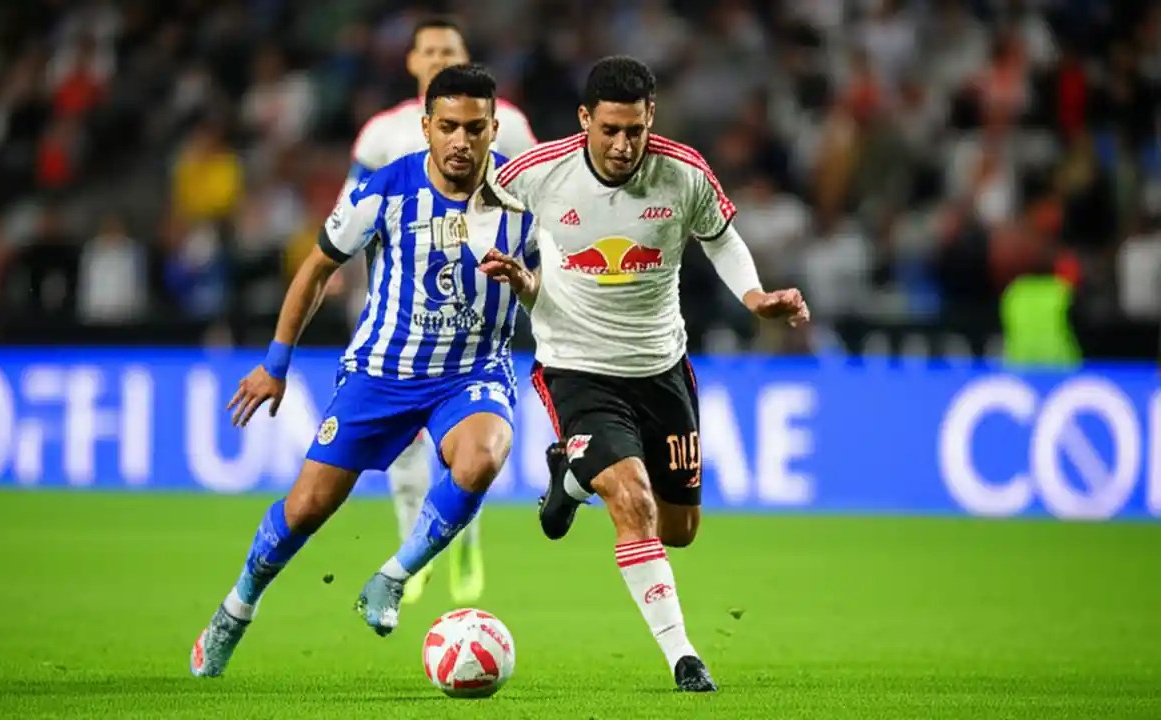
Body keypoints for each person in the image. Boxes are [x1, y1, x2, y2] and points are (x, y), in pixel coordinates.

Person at [191, 64, 540, 678]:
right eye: (450, 127)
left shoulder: (525, 201)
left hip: (470, 373)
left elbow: (561, 288)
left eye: (476, 128)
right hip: (381, 373)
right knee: (305, 509)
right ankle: (237, 605)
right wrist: (277, 363)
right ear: (426, 127)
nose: (462, 141)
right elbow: (316, 269)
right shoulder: (384, 189)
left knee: (484, 455)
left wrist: (533, 289)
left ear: (494, 131)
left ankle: (392, 576)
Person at [483, 56, 810, 692]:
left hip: (662, 368)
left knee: (678, 528)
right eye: (609, 129)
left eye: (634, 130)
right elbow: (470, 201)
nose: (622, 144)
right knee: (632, 502)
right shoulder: (538, 172)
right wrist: (515, 277)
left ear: (650, 118)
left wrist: (755, 297)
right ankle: (684, 657)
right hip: (577, 367)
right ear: (585, 120)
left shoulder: (683, 173)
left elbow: (720, 238)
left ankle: (571, 478)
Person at [338, 15, 538, 605]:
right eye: (427, 50)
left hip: (476, 313)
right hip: (397, 309)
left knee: (464, 442)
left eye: (447, 49)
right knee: (403, 441)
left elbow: (538, 198)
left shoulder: (513, 128)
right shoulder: (382, 134)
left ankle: (464, 536)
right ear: (411, 61)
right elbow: (348, 212)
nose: (435, 57)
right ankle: (412, 546)